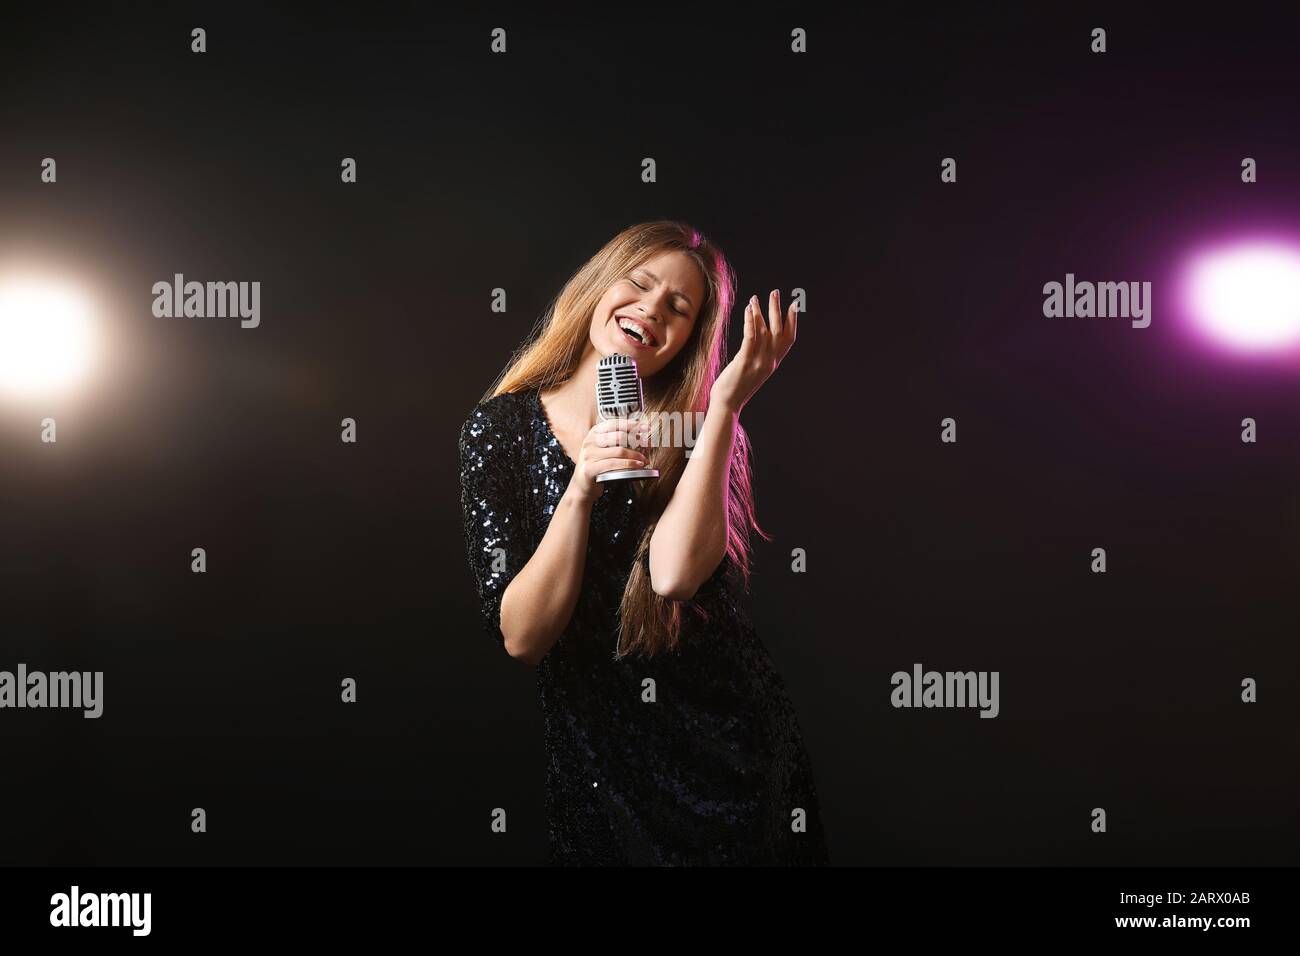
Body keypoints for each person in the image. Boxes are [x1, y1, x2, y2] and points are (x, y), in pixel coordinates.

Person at [458, 219, 830, 865]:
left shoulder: (696, 427)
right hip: (599, 765)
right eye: (640, 284)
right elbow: (523, 637)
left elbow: (674, 578)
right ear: (599, 286)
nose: (651, 310)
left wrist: (723, 409)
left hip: (728, 757)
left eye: (678, 309)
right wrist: (581, 489)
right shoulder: (500, 429)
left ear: (687, 340)